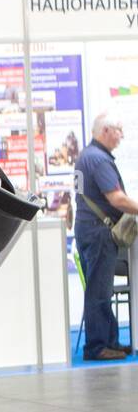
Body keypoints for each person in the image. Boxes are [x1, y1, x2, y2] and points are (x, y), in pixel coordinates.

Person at [74, 113, 138, 360]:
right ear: (106, 131)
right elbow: (117, 199)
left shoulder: (88, 156)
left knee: (101, 288)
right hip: (99, 231)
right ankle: (98, 346)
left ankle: (109, 340)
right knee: (100, 290)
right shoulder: (99, 160)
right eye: (119, 130)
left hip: (89, 228)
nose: (121, 136)